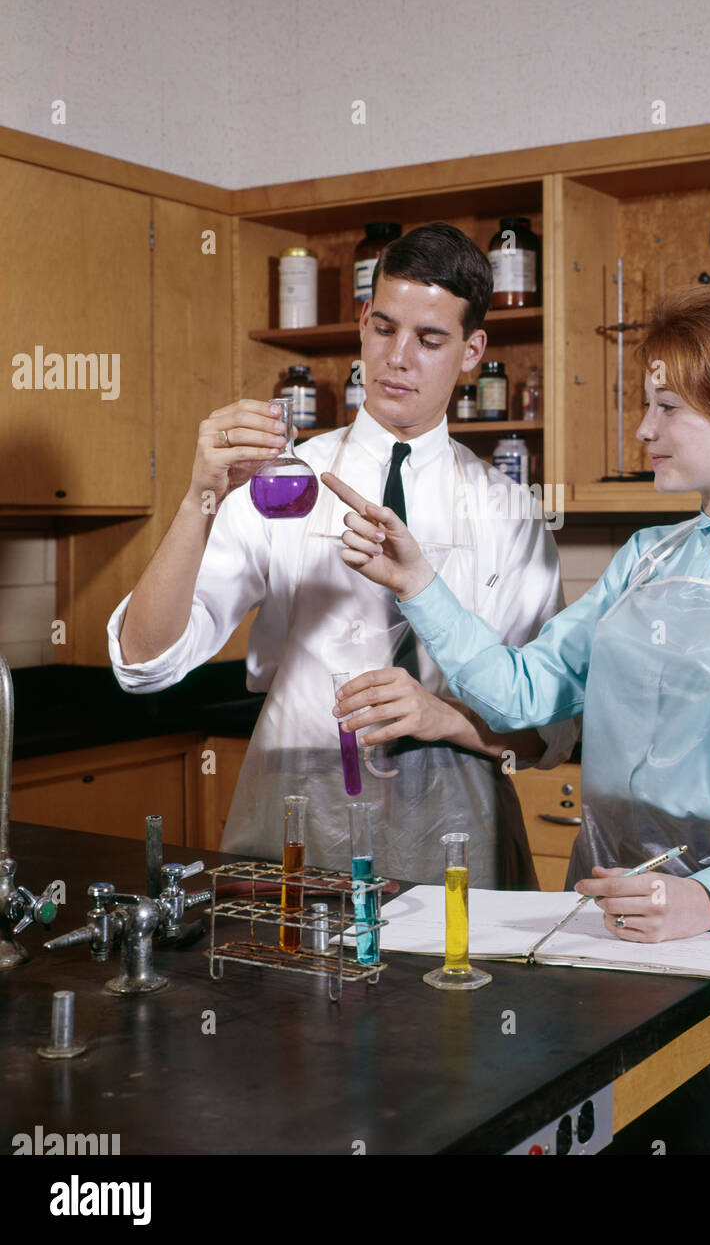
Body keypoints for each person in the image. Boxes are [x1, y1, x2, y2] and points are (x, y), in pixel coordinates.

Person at [327, 284, 710, 1154]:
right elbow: (526, 692)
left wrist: (705, 900)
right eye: (647, 404)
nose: (642, 430)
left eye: (667, 407)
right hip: (594, 923)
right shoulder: (646, 557)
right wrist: (419, 585)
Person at [109, 222, 578, 888]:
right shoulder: (279, 484)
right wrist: (199, 499)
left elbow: (549, 737)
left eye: (430, 338)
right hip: (296, 819)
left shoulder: (509, 513)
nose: (398, 357)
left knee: (450, 992)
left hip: (456, 827)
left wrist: (440, 716)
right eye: (383, 328)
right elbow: (143, 664)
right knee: (283, 992)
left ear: (473, 350)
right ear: (362, 323)